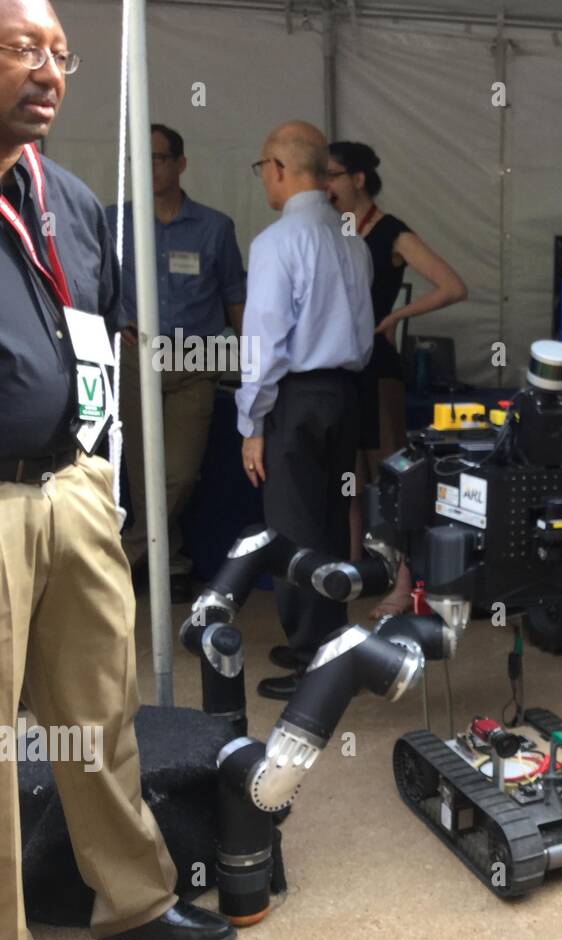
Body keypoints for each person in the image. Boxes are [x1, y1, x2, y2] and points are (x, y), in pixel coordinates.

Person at [0, 0, 233, 940]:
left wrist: (98, 475)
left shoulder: (79, 203)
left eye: (61, 53)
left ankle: (132, 895)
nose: (49, 71)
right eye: (23, 48)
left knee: (100, 708)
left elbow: (97, 339)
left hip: (75, 488)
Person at [237, 121, 374, 700]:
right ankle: (331, 641)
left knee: (291, 529)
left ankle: (311, 660)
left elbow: (263, 344)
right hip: (345, 392)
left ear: (278, 168)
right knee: (328, 519)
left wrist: (251, 422)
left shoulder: (276, 243)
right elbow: (364, 333)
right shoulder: (352, 238)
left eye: (262, 168)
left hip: (296, 397)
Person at [323, 140, 467, 620]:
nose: (325, 186)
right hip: (338, 367)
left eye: (332, 175)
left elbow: (452, 285)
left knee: (393, 481)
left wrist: (397, 315)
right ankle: (350, 573)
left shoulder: (391, 233)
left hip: (378, 370)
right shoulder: (328, 228)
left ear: (358, 179)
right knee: (347, 481)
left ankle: (404, 581)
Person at [112, 122, 246, 601]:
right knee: (142, 473)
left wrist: (251, 364)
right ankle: (171, 562)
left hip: (195, 356)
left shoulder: (214, 227)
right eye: (138, 160)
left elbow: (235, 299)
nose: (146, 169)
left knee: (181, 473)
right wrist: (112, 320)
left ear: (180, 163)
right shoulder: (114, 222)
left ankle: (125, 555)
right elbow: (90, 288)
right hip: (134, 357)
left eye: (157, 158)